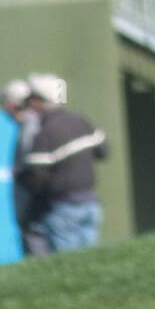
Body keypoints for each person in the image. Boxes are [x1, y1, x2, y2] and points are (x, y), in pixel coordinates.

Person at [22, 74, 109, 251]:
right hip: (91, 204)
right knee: (91, 262)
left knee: (71, 265)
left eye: (31, 99)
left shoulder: (43, 134)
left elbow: (38, 179)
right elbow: (104, 151)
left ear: (39, 101)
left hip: (63, 208)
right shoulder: (81, 121)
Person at [0, 79, 49, 255]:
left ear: (11, 104)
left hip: (34, 209)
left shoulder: (30, 126)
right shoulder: (28, 125)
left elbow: (33, 170)